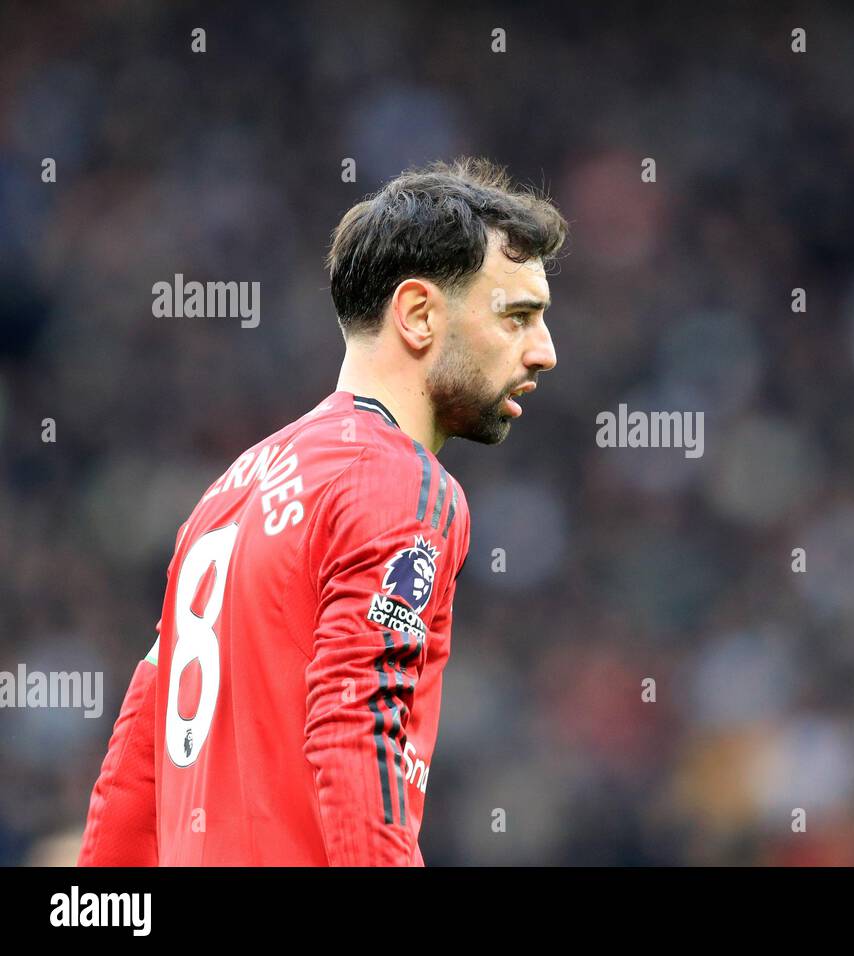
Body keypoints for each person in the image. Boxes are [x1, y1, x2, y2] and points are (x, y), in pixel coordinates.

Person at [77, 157, 566, 865]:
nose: (545, 351)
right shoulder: (400, 482)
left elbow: (135, 762)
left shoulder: (228, 492)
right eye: (517, 316)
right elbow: (355, 726)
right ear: (419, 314)